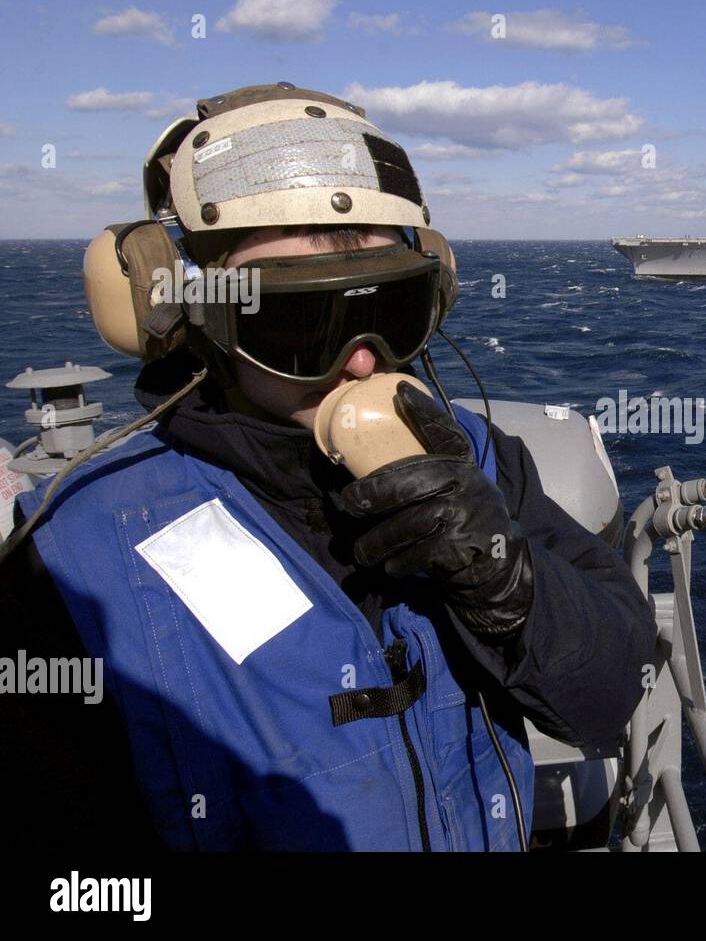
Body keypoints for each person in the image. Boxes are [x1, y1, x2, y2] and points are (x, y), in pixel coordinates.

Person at [0, 84, 656, 851]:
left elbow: (612, 694)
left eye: (392, 309)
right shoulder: (75, 560)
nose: (367, 360)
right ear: (188, 312)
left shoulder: (473, 457)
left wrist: (507, 581)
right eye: (304, 321)